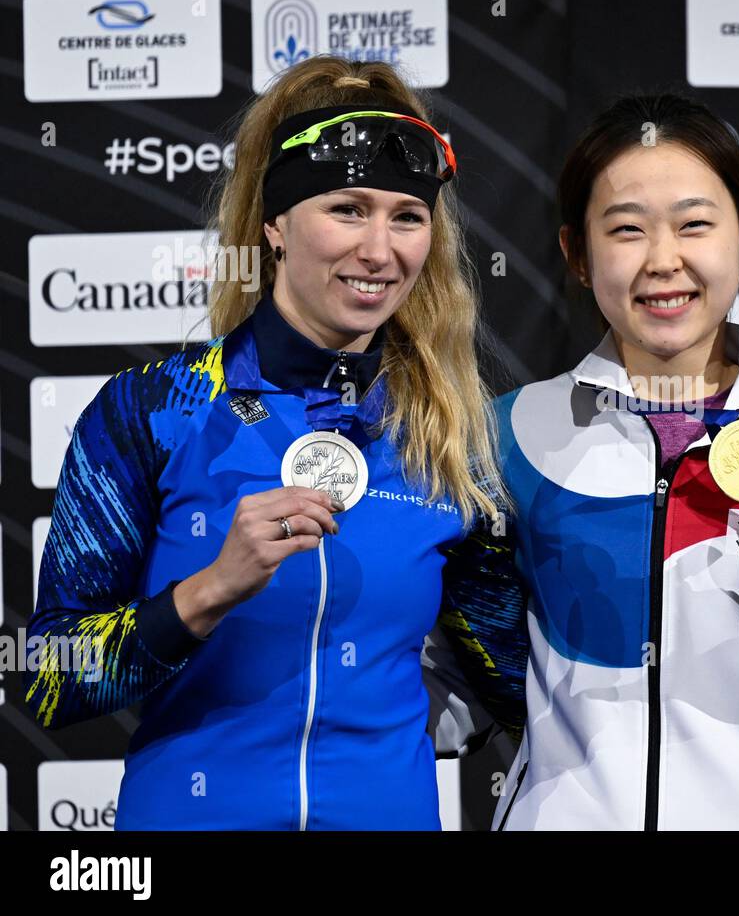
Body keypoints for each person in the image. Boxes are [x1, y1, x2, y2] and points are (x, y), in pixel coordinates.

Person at [24, 56, 524, 830]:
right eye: (348, 209)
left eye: (406, 216)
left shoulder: (454, 434)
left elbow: (522, 684)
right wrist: (207, 591)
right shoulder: (157, 410)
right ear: (275, 224)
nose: (380, 250)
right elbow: (50, 677)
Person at [471, 92, 739, 830]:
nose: (663, 261)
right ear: (576, 253)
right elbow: (455, 684)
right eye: (626, 230)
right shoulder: (506, 438)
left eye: (695, 225)